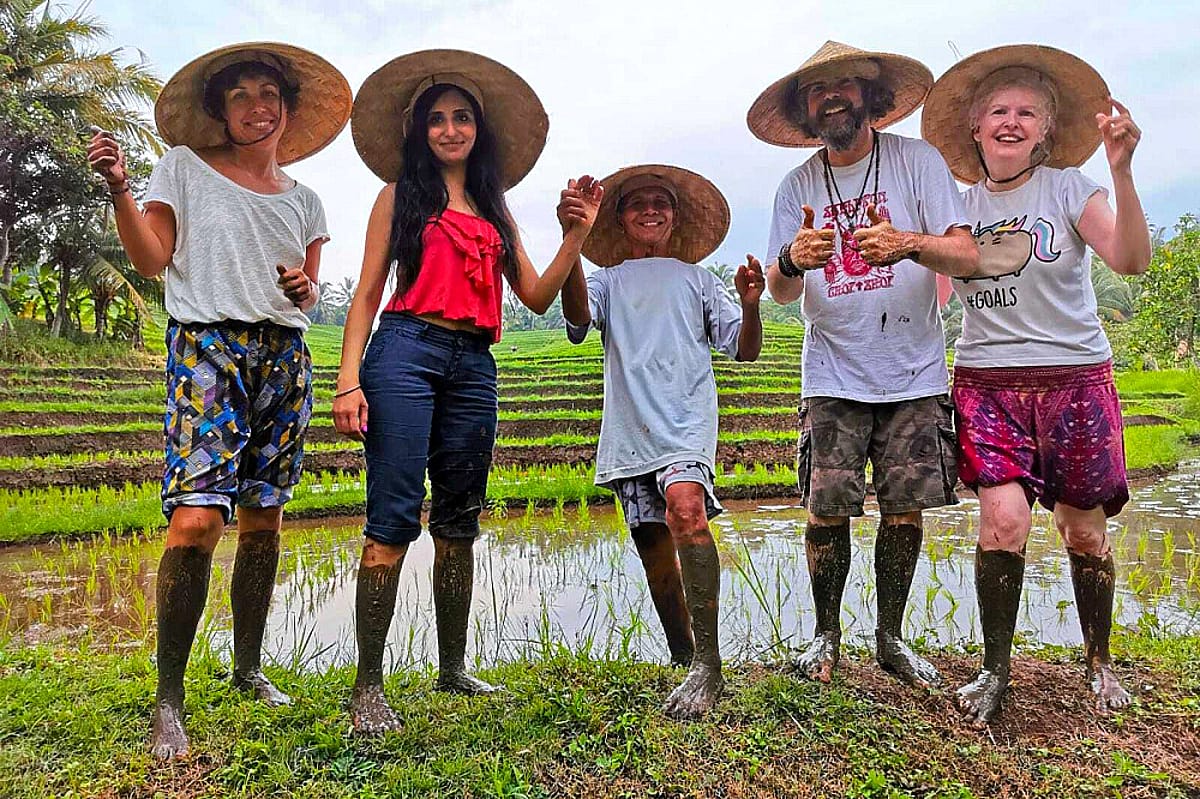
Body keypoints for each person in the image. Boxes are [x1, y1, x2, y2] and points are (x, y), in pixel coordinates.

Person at [87, 42, 352, 759]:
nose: (257, 106)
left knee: (265, 516)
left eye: (269, 94)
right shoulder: (183, 169)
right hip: (207, 349)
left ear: (287, 111)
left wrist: (303, 288)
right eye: (240, 94)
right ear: (218, 108)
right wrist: (120, 189)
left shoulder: (306, 201)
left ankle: (247, 667)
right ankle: (168, 700)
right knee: (198, 519)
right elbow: (150, 257)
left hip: (284, 359)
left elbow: (305, 288)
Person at [332, 49, 602, 735]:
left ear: (478, 131)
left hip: (474, 364)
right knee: (392, 517)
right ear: (421, 130)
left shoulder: (494, 210)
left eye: (461, 119)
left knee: (459, 519)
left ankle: (452, 667)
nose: (450, 130)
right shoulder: (399, 198)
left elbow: (538, 296)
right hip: (405, 354)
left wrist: (577, 234)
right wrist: (347, 378)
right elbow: (365, 294)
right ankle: (368, 687)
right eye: (437, 120)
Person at [922, 44, 1151, 727]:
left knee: (1082, 530)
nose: (1011, 121)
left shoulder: (1070, 189)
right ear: (974, 127)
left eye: (1027, 111)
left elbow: (1131, 259)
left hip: (1075, 376)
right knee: (1004, 520)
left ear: (1047, 129)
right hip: (988, 381)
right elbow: (928, 300)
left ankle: (1099, 660)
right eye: (998, 110)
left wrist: (1121, 169)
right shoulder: (956, 209)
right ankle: (995, 670)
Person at [749, 41, 979, 687]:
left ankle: (891, 638)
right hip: (833, 369)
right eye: (818, 90)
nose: (832, 96)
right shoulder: (795, 186)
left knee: (903, 508)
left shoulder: (917, 162)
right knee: (827, 508)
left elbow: (963, 255)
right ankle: (825, 636)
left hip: (913, 369)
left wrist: (907, 242)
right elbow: (781, 290)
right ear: (806, 109)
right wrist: (793, 258)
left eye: (844, 84)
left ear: (871, 95)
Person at [561, 165, 763, 719]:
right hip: (630, 428)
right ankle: (685, 658)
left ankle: (710, 666)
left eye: (661, 203)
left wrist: (749, 306)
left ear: (675, 217)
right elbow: (578, 318)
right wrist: (572, 240)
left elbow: (743, 351)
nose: (650, 210)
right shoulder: (606, 279)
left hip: (685, 421)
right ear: (620, 218)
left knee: (686, 509)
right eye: (637, 204)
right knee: (653, 549)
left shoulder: (697, 279)